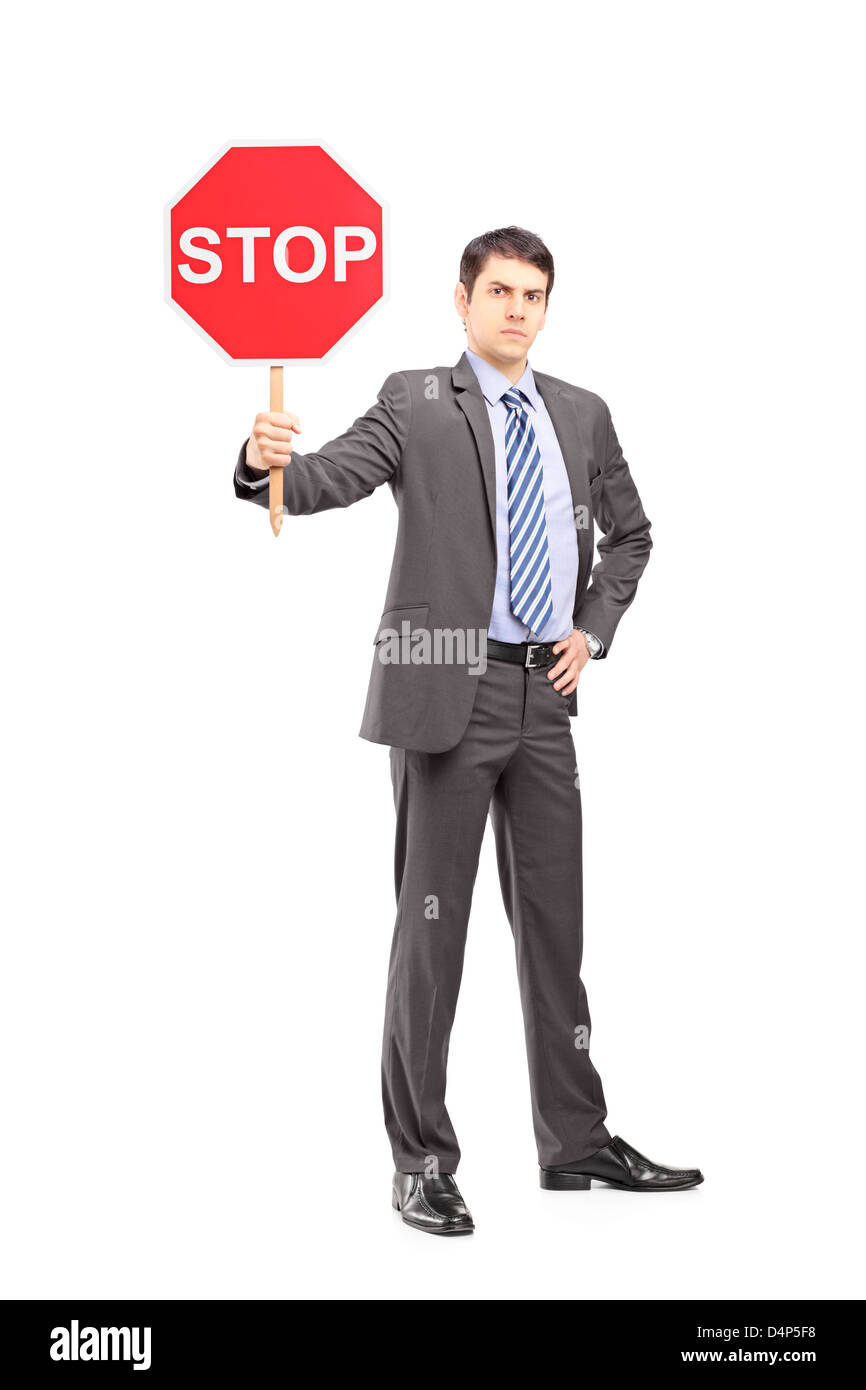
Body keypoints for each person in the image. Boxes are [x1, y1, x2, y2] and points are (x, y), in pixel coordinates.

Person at [233, 225, 703, 1237]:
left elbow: (631, 533)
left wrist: (594, 627)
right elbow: (326, 479)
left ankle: (574, 1137)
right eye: (498, 292)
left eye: (533, 294)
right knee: (430, 930)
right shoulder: (414, 400)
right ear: (461, 300)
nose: (516, 310)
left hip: (544, 699)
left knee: (553, 928)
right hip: (442, 689)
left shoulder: (580, 413)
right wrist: (261, 461)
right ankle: (419, 1159)